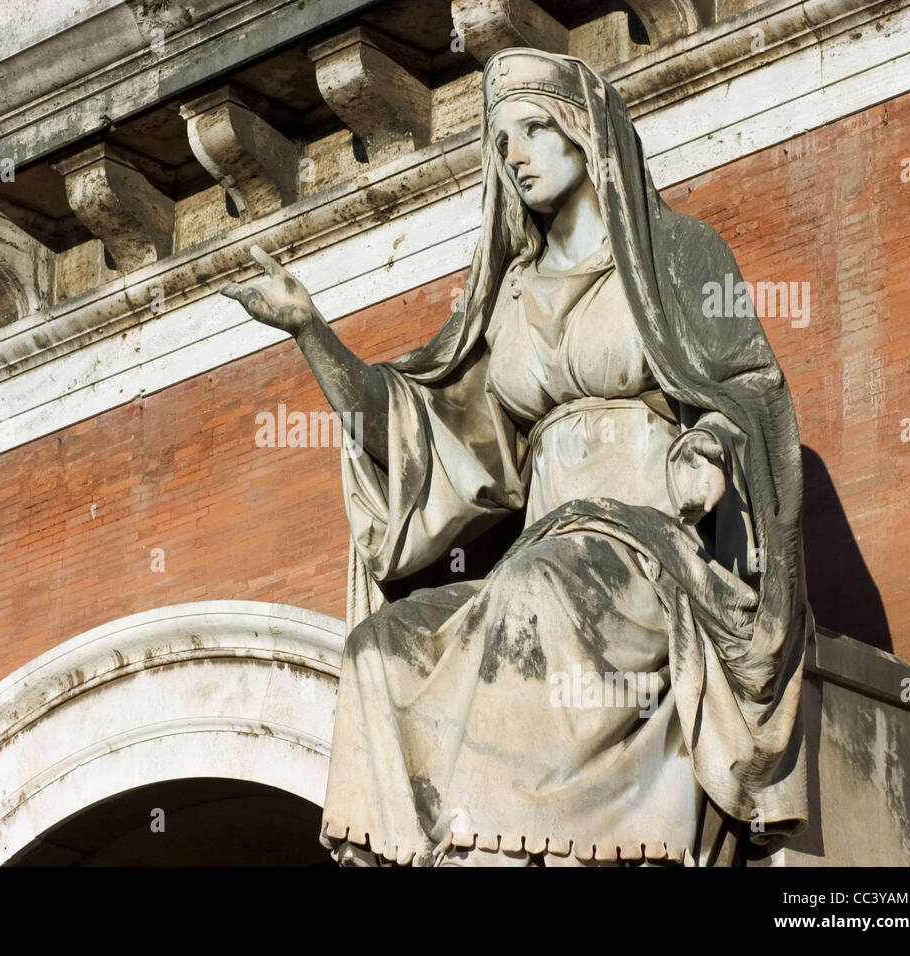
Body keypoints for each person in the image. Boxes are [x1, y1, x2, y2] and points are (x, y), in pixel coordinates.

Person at [221, 47, 812, 867]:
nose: (518, 156)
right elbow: (412, 436)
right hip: (545, 556)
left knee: (534, 590)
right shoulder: (507, 298)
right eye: (503, 142)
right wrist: (310, 332)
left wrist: (708, 447)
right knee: (382, 647)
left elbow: (750, 391)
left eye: (534, 130)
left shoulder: (678, 255)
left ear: (585, 135)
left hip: (645, 548)